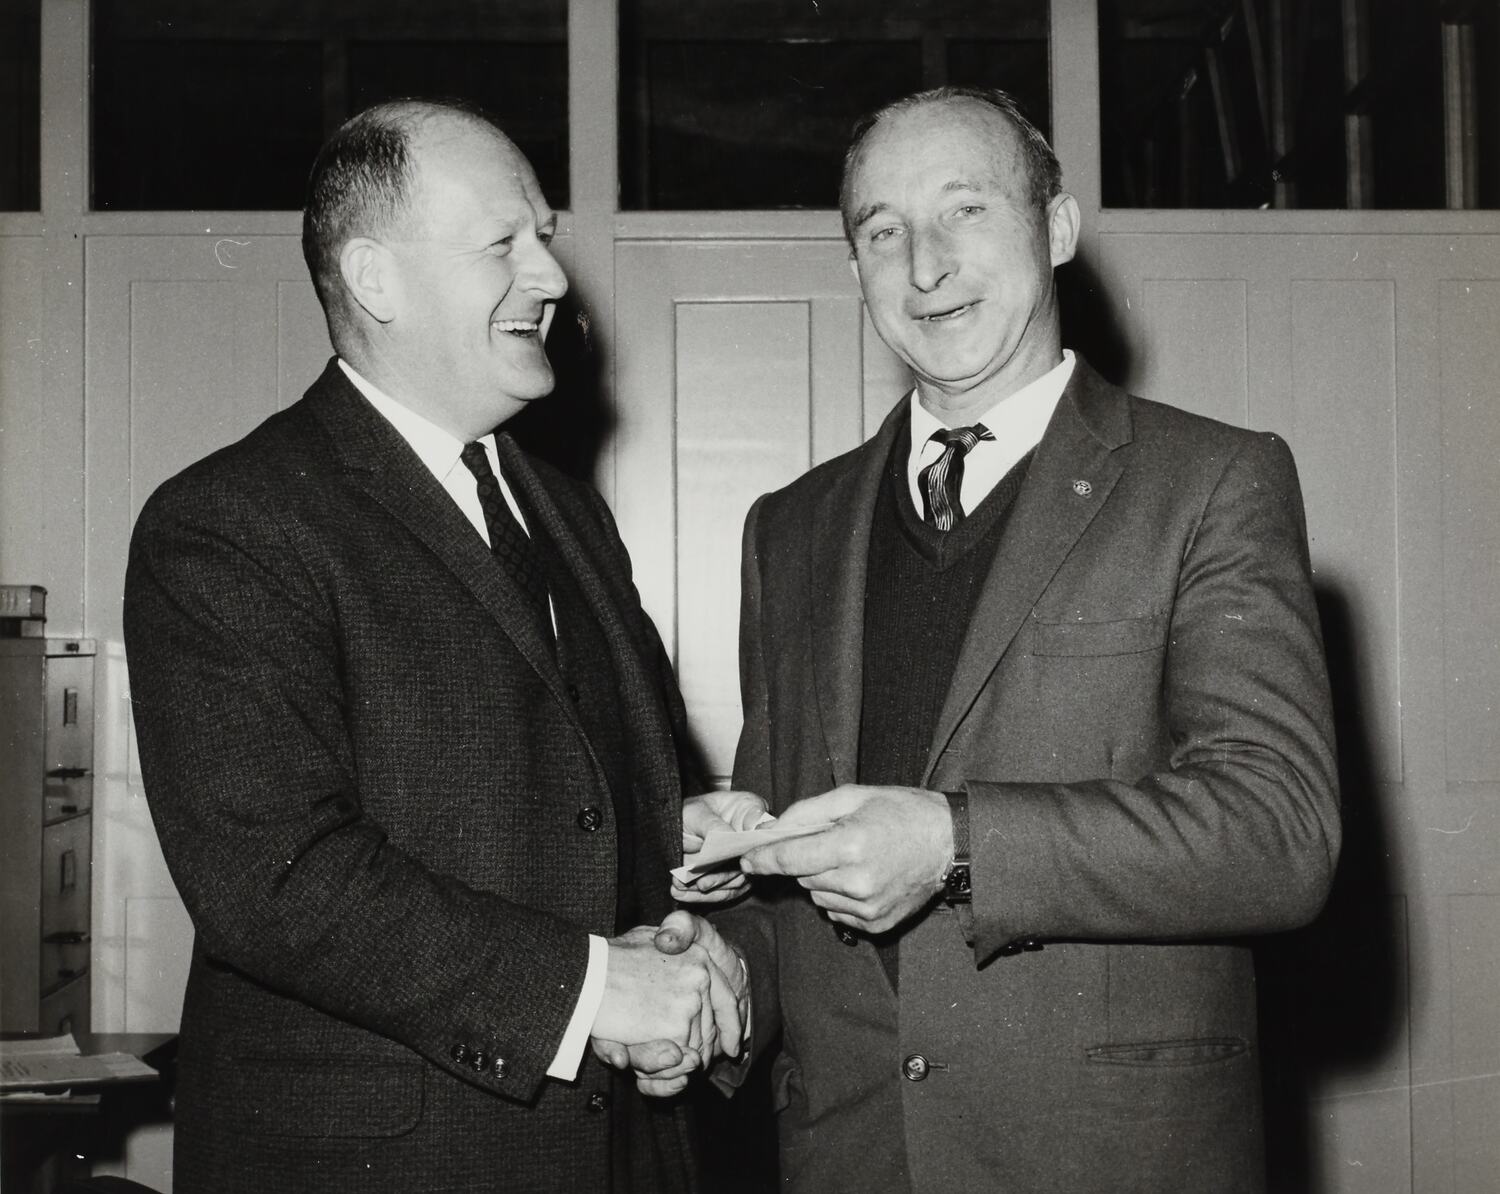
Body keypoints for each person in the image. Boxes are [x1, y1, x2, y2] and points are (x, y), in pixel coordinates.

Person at [699, 87, 1341, 1193]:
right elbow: (792, 883)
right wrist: (722, 968)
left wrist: (955, 842)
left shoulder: (1211, 481)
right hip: (848, 1157)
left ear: (1056, 229)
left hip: (1107, 1156)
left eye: (966, 212)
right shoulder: (788, 527)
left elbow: (1280, 833)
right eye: (883, 231)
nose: (925, 266)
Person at [123, 98, 748, 1193]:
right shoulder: (229, 523)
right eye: (503, 243)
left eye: (544, 236)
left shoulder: (568, 513)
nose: (552, 276)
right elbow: (275, 876)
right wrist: (593, 993)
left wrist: (679, 851)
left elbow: (564, 798)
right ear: (375, 280)